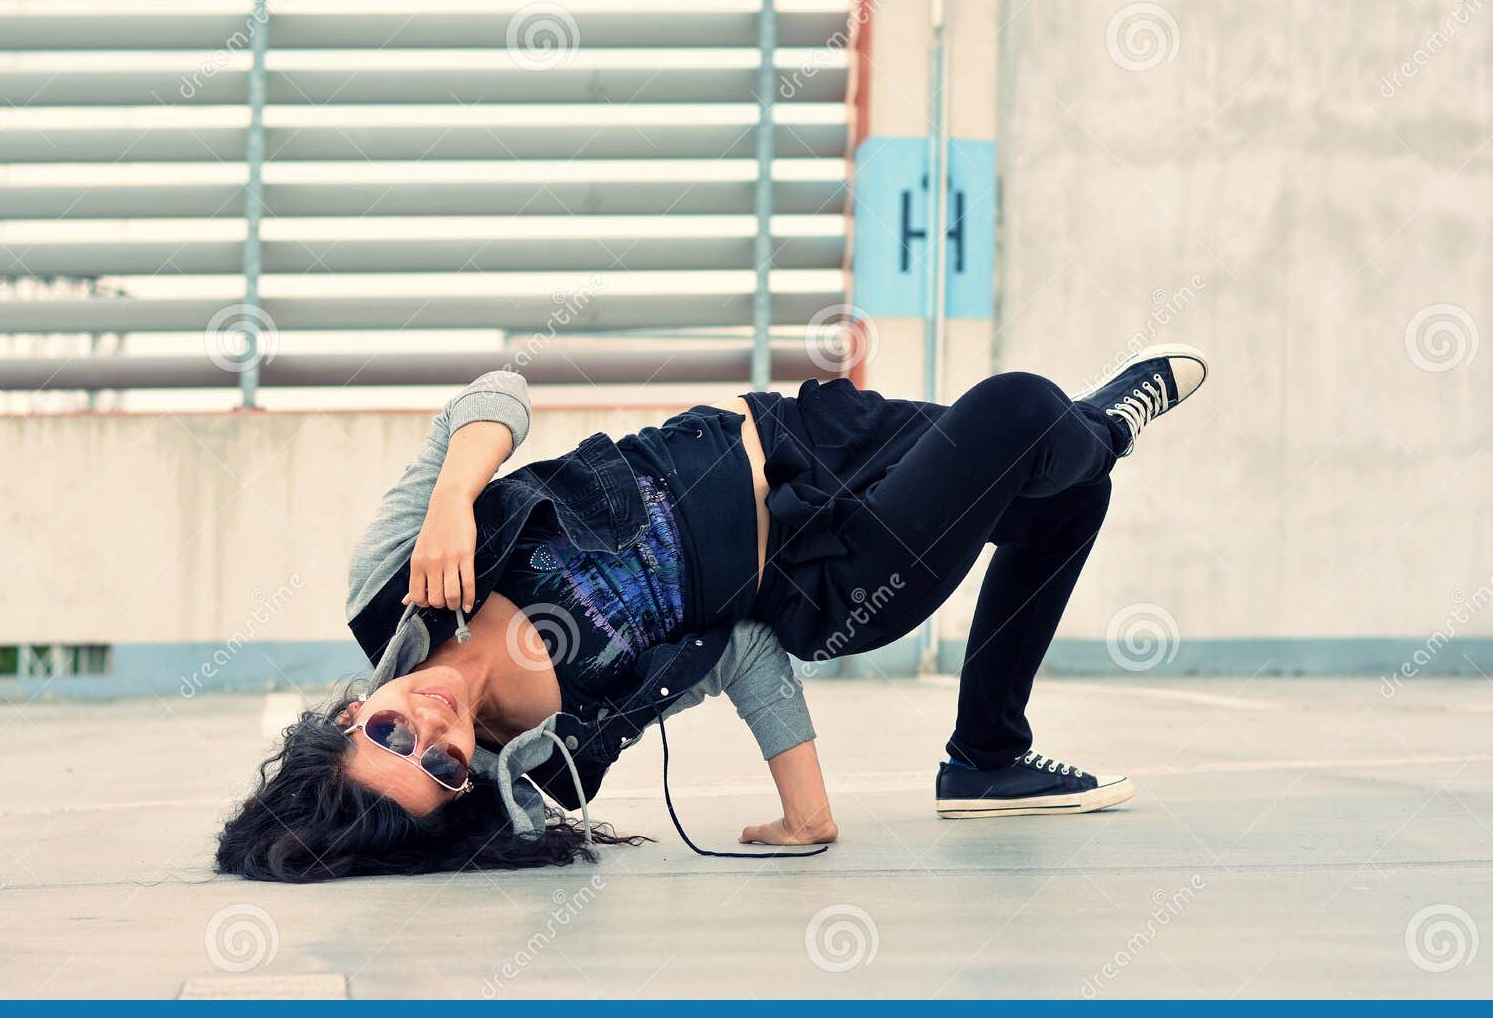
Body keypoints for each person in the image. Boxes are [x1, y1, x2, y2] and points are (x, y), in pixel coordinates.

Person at [216, 345, 1208, 882]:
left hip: (798, 435)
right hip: (831, 569)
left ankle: (985, 755)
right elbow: (734, 648)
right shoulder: (561, 749)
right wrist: (807, 806)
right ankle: (1099, 421)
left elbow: (498, 388)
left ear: (348, 713)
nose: (431, 726)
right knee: (1023, 410)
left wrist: (448, 501)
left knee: (1066, 492)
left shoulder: (390, 579)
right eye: (439, 764)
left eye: (390, 730)